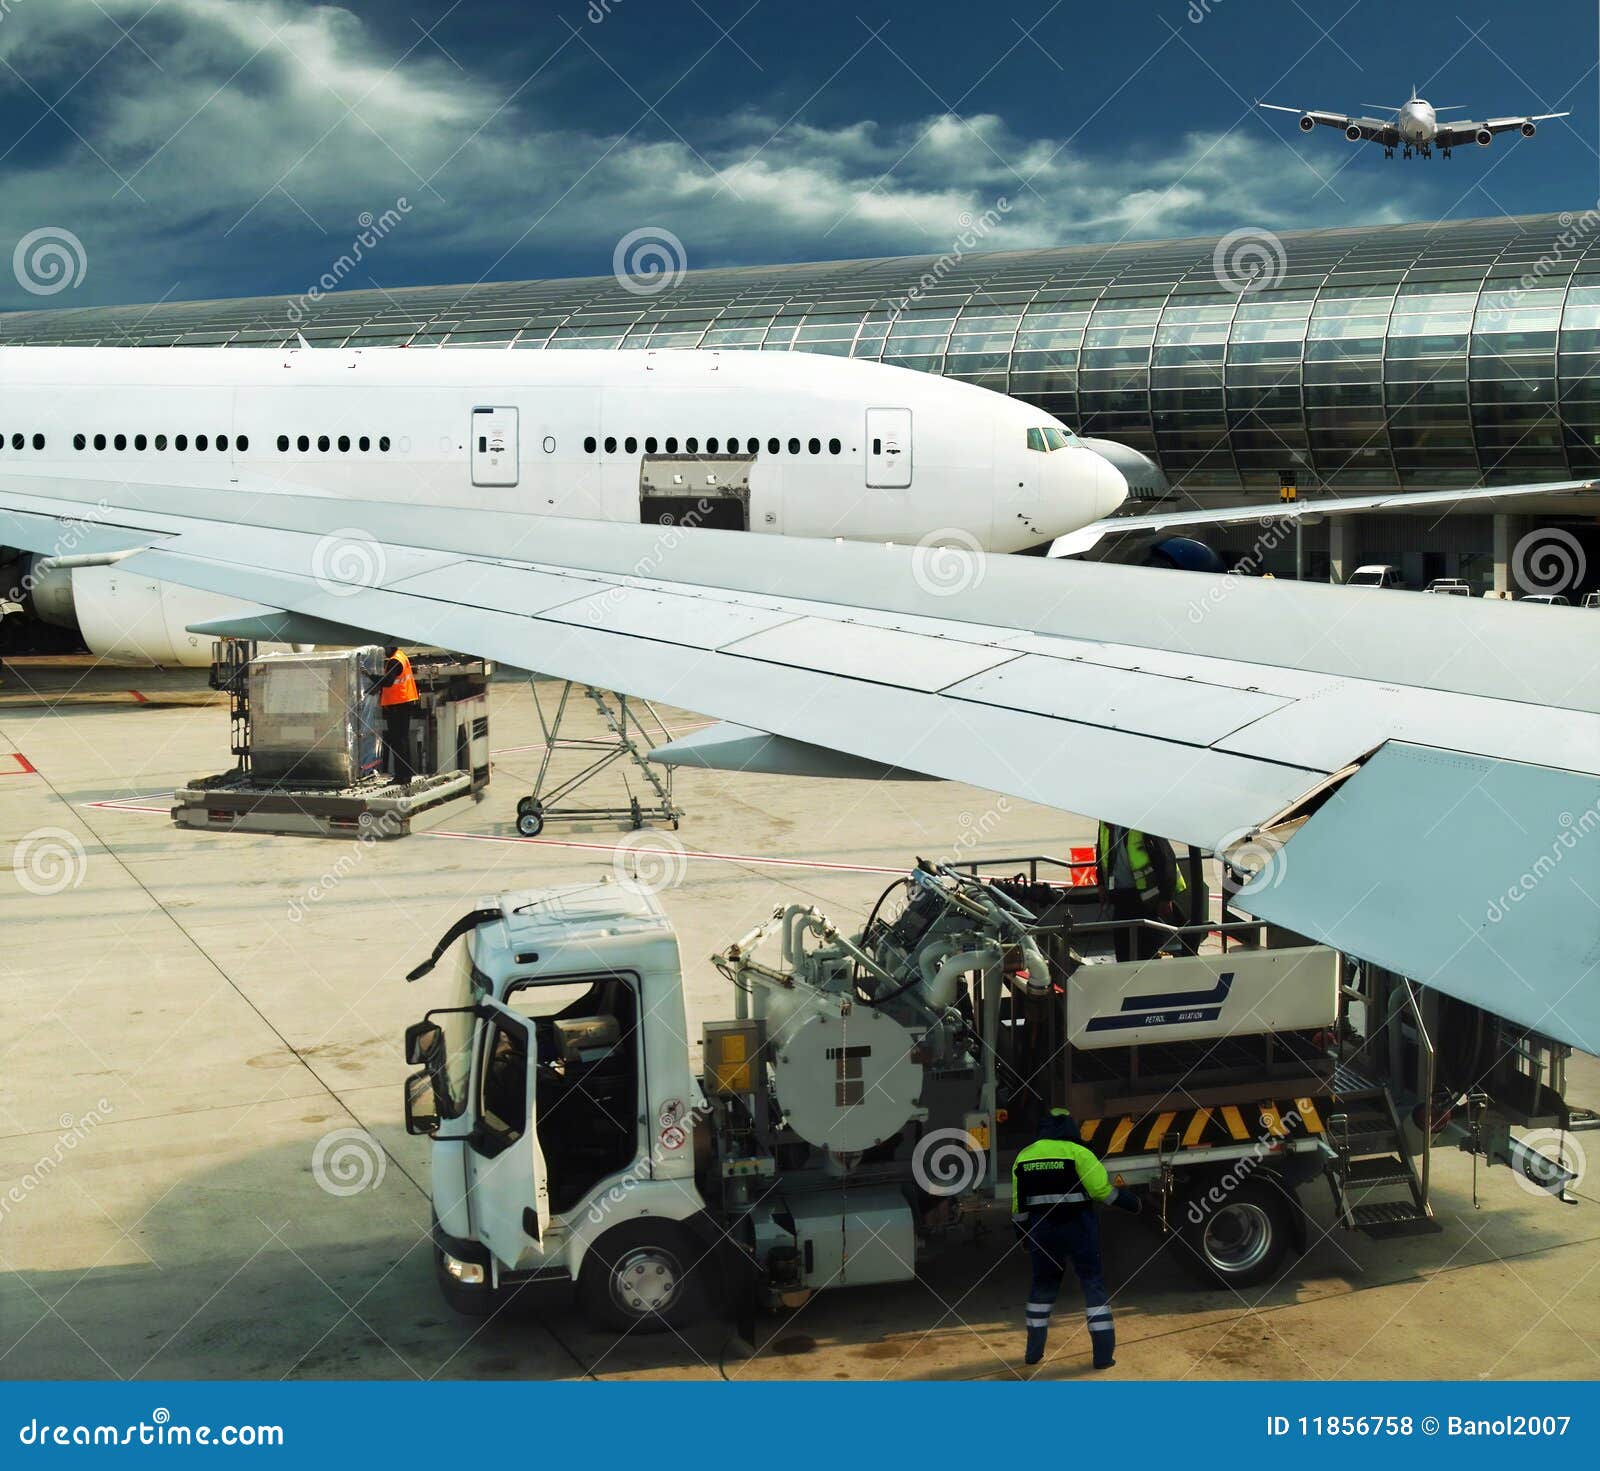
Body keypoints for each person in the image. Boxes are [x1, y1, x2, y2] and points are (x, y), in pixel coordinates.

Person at [1011, 1107, 1141, 1369]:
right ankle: (1103, 1357)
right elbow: (1102, 1191)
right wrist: (1133, 1204)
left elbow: (1019, 1206)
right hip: (1078, 1229)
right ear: (1069, 1127)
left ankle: (1033, 1354)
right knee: (1092, 1285)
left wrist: (1023, 1236)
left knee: (1042, 1290)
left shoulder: (1024, 1157)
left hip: (1043, 1232)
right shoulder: (1080, 1153)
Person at [1096, 820, 1187, 962]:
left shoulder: (1142, 820)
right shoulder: (1105, 821)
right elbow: (1101, 852)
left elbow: (1166, 857)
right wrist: (1101, 883)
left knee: (1147, 949)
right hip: (1121, 896)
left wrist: (1166, 898)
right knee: (1123, 949)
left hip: (1146, 897)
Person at [373, 644, 420, 782]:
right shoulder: (401, 656)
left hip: (398, 706)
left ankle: (402, 776)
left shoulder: (395, 661)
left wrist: (370, 676)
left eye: (383, 650)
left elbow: (387, 682)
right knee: (402, 741)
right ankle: (406, 774)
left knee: (398, 742)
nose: (383, 653)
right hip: (403, 703)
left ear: (389, 648)